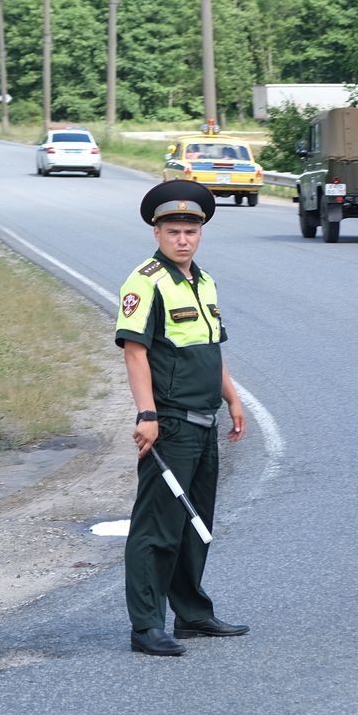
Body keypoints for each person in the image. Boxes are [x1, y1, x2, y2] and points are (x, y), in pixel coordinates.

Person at [114, 180, 249, 656]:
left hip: (205, 420)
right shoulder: (145, 282)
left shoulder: (203, 281)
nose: (183, 238)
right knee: (157, 526)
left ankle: (191, 614)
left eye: (191, 229)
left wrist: (232, 399)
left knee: (194, 523)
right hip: (169, 423)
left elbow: (210, 349)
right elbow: (135, 353)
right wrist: (147, 414)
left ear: (201, 232)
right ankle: (146, 626)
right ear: (157, 233)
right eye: (174, 230)